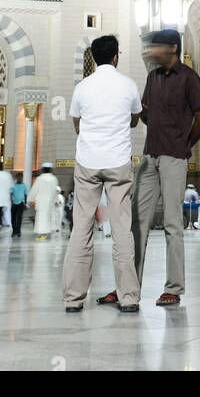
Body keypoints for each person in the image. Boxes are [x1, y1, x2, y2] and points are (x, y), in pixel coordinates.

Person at [113, 29, 200, 307]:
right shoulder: (152, 78)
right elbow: (145, 113)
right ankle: (130, 286)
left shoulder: (189, 78)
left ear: (172, 49)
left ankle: (174, 288)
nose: (151, 51)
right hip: (149, 157)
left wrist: (183, 145)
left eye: (157, 47)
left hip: (174, 158)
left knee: (172, 223)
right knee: (137, 223)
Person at [63, 33, 143, 313]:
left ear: (93, 58)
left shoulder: (82, 87)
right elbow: (135, 118)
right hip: (118, 162)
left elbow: (76, 123)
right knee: (121, 229)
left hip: (87, 162)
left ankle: (73, 298)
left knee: (81, 227)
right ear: (116, 56)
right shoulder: (128, 85)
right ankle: (129, 297)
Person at [27, 163, 60, 239]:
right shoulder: (54, 178)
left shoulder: (39, 178)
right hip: (50, 201)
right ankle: (45, 233)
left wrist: (30, 199)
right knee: (48, 217)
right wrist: (56, 201)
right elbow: (55, 191)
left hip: (41, 201)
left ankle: (42, 234)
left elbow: (34, 190)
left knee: (41, 217)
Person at [11, 172, 28, 239]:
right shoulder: (13, 185)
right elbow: (11, 193)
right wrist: (11, 201)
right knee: (13, 218)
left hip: (21, 203)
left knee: (19, 218)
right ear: (16, 178)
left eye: (21, 177)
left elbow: (25, 194)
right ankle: (14, 231)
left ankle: (18, 231)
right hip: (14, 203)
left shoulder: (24, 186)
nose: (20, 179)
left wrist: (25, 203)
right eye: (19, 177)